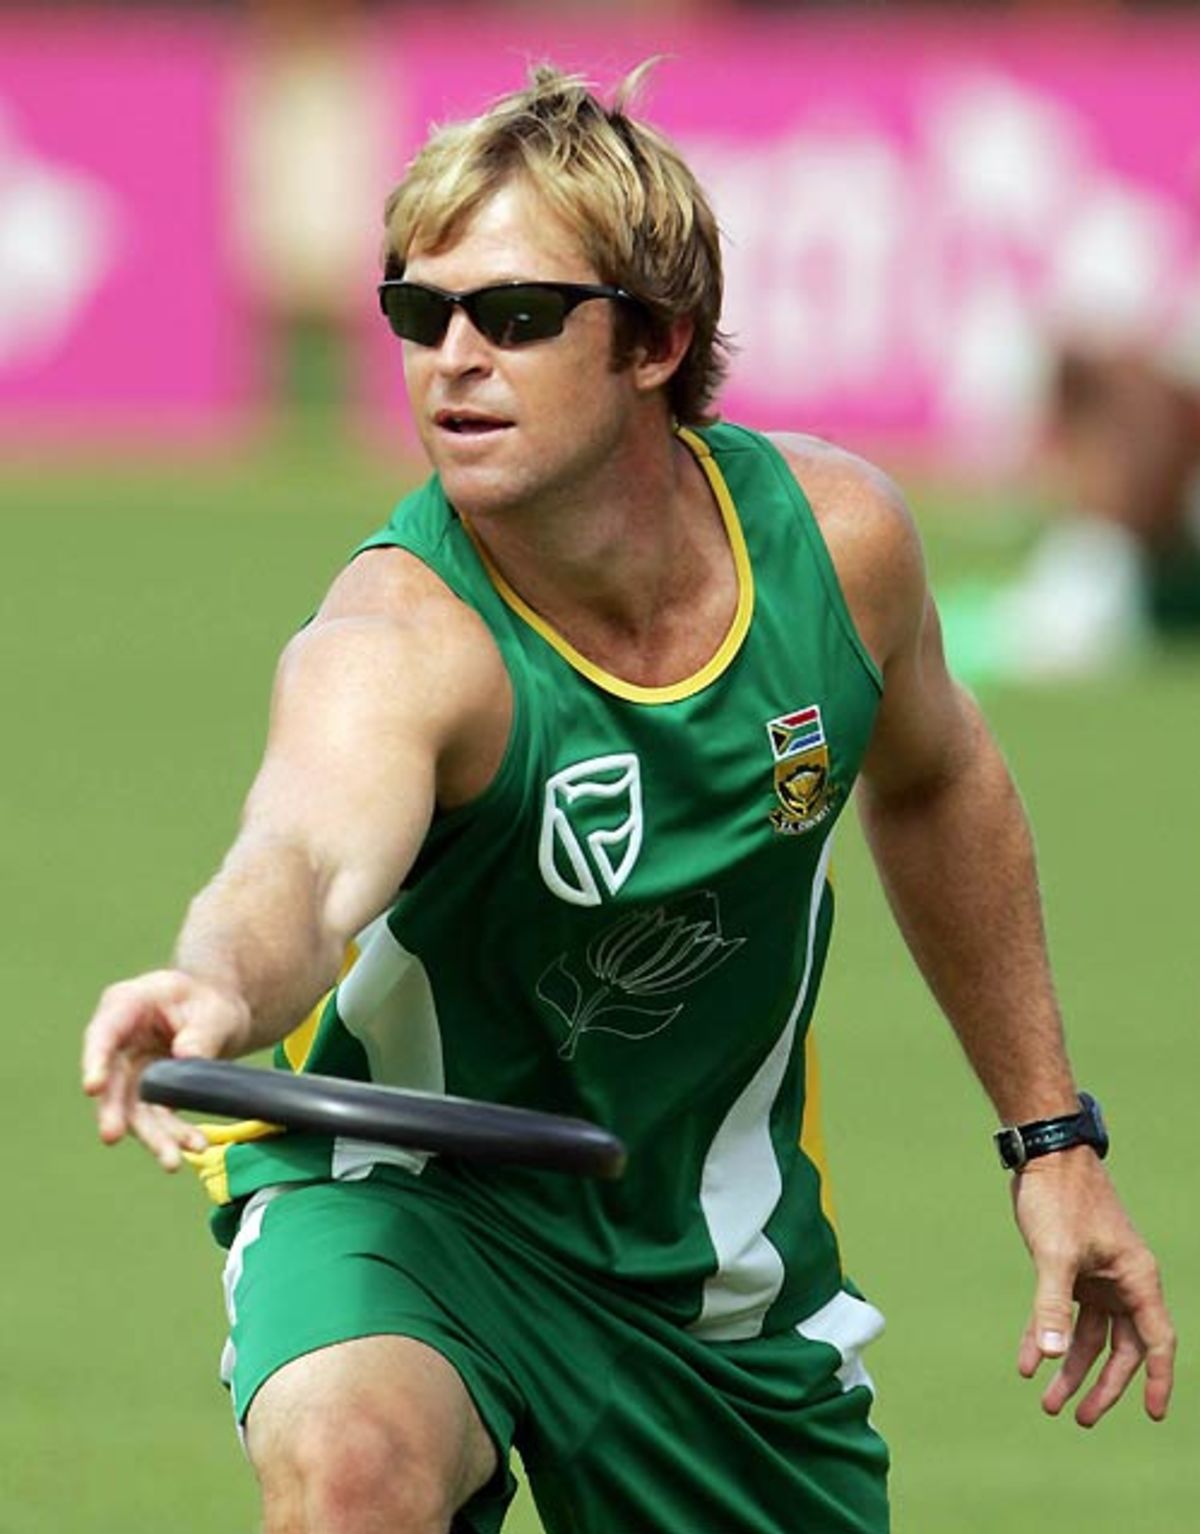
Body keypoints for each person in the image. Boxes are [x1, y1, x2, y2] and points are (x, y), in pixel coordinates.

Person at [82, 64, 1175, 1534]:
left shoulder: (840, 551)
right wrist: (211, 985)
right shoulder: (400, 644)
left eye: (516, 316)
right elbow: (300, 860)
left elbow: (937, 783)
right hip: (407, 1194)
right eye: (420, 312)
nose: (453, 358)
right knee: (351, 1474)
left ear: (656, 339)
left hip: (700, 1256)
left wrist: (1053, 1142)